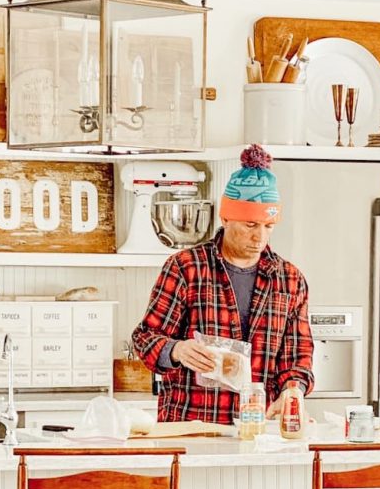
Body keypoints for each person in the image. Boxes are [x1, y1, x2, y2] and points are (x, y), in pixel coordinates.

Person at [131, 144, 314, 424]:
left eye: (268, 226)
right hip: (191, 428)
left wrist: (293, 391)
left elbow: (297, 357)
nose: (260, 237)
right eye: (250, 225)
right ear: (226, 217)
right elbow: (145, 339)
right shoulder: (186, 267)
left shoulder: (290, 280)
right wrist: (176, 350)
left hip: (260, 431)